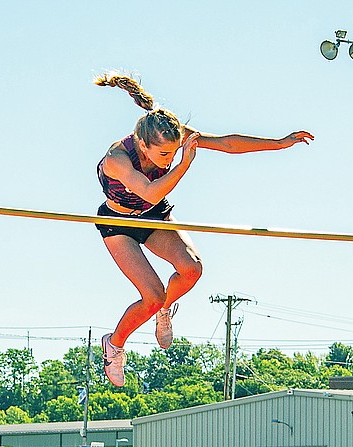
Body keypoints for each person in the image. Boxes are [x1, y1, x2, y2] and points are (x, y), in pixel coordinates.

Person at [94, 72, 313, 387]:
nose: (169, 158)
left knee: (191, 269)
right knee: (152, 295)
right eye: (164, 155)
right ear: (142, 144)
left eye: (173, 151)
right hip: (120, 224)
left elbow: (225, 143)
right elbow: (151, 191)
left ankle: (165, 308)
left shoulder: (173, 136)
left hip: (153, 217)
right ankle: (114, 345)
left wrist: (279, 143)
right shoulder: (118, 158)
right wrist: (183, 164)